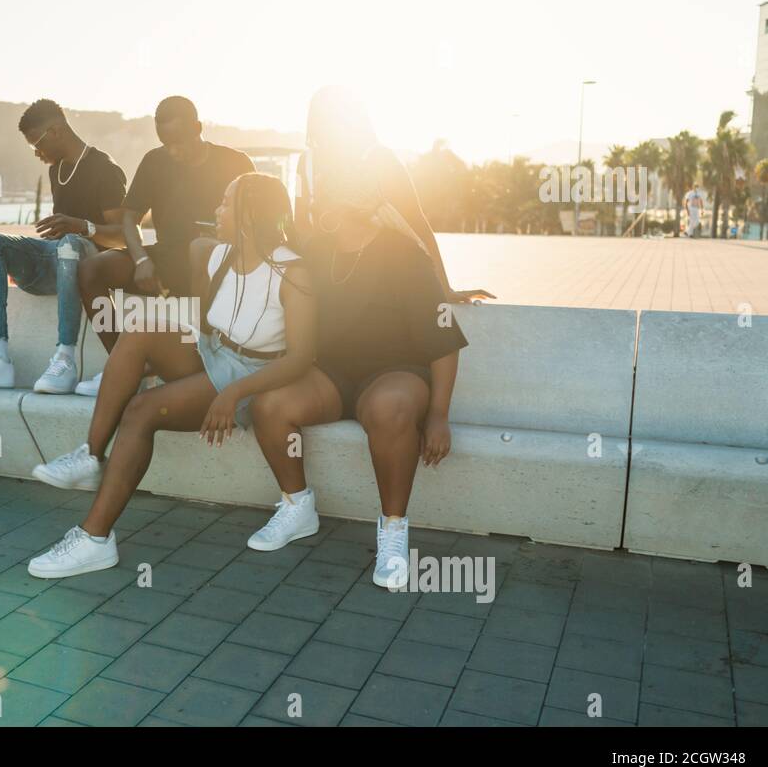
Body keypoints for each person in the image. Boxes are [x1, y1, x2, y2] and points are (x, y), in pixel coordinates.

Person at [26, 173, 315, 578]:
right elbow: (204, 324)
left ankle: (94, 540)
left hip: (256, 373)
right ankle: (90, 455)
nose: (218, 210)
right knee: (141, 329)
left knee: (142, 411)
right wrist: (181, 362)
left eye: (227, 203)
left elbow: (301, 358)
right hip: (217, 353)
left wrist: (232, 394)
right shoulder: (215, 256)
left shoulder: (292, 272)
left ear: (251, 214)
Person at [246, 164, 468, 585]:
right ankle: (297, 508)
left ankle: (394, 528)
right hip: (331, 374)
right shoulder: (316, 249)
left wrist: (438, 414)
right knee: (271, 406)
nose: (314, 205)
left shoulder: (404, 255)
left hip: (394, 372)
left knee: (390, 408)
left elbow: (444, 341)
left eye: (322, 198)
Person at [73, 95, 255, 396]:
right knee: (92, 269)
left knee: (203, 252)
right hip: (166, 258)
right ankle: (126, 366)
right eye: (166, 142)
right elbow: (130, 218)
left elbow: (259, 220)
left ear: (198, 127)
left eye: (180, 141)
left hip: (219, 261)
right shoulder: (155, 161)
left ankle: (205, 366)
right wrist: (142, 259)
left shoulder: (235, 162)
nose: (174, 151)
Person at [0, 99, 128, 393]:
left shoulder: (104, 168)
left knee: (70, 243)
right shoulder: (56, 171)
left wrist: (81, 226)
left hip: (91, 265)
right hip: (57, 260)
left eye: (37, 145)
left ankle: (65, 361)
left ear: (55, 131)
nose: (37, 154)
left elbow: (122, 236)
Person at [296, 86, 493, 304]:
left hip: (376, 282)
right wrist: (307, 275)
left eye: (337, 118)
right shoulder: (308, 163)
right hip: (325, 279)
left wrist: (444, 287)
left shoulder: (380, 160)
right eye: (323, 119)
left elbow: (417, 223)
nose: (330, 126)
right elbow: (300, 224)